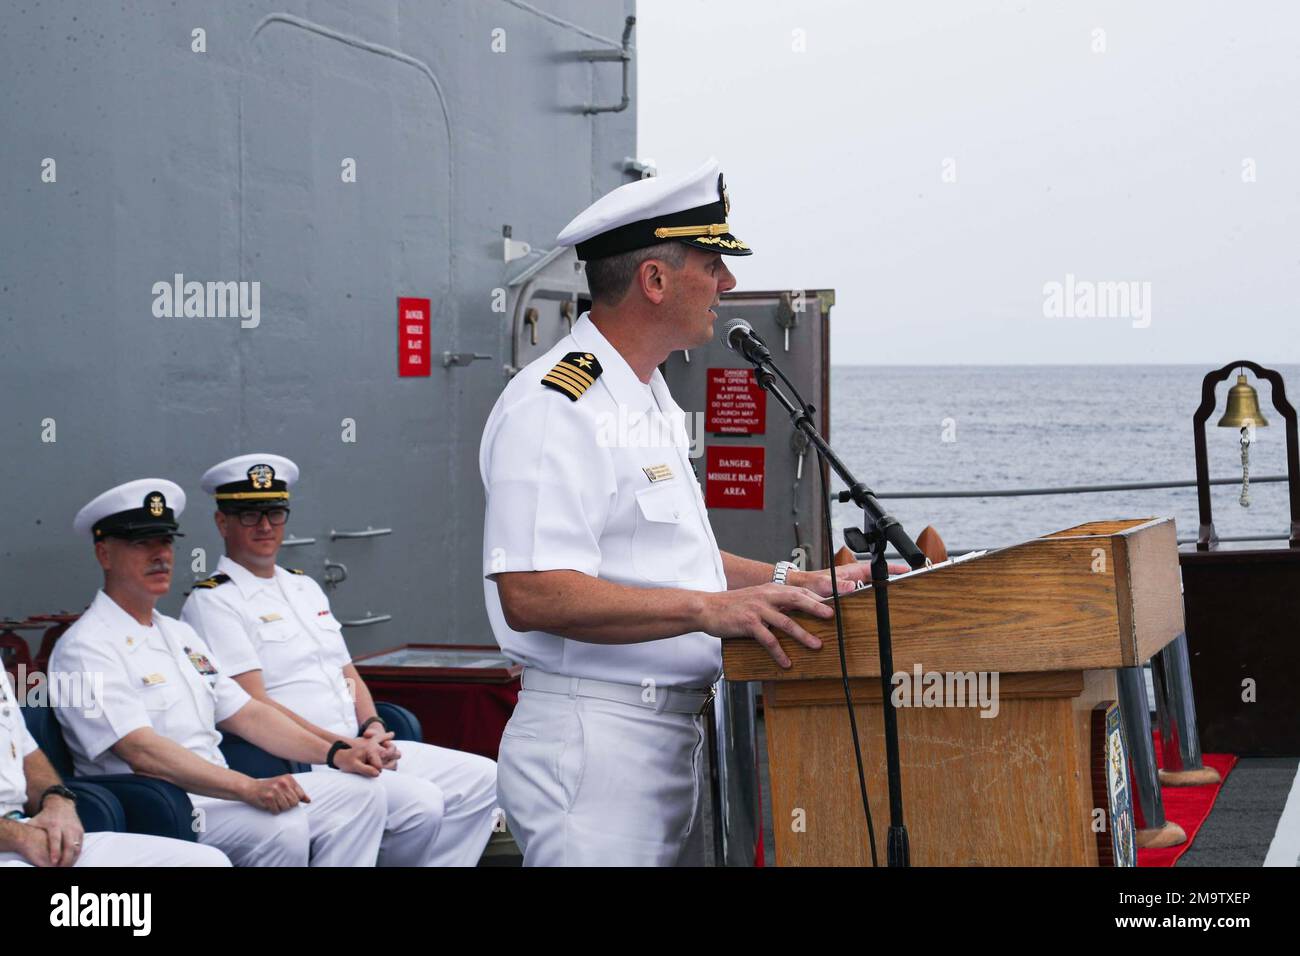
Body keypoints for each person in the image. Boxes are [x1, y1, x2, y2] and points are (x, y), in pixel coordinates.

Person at [479, 158, 874, 866]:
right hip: (594, 741)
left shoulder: (645, 395)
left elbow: (670, 554)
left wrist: (784, 581)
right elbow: (533, 591)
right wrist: (706, 611)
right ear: (654, 280)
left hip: (663, 735)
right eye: (712, 262)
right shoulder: (557, 406)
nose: (726, 283)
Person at [180, 454, 498, 867]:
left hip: (359, 744)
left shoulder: (303, 587)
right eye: (249, 515)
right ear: (223, 523)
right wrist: (339, 746)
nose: (265, 526)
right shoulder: (214, 602)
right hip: (305, 758)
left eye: (275, 513)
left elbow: (345, 673)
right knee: (422, 804)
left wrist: (373, 726)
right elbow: (252, 703)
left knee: (485, 781)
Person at [51, 479, 388, 866]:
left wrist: (337, 753)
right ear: (104, 554)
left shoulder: (179, 635)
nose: (160, 555)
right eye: (141, 543)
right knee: (283, 825)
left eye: (165, 542)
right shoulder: (87, 646)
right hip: (162, 803)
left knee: (363, 795)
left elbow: (249, 714)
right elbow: (142, 752)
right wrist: (247, 788)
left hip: (219, 792)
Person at [0, 668, 229, 867]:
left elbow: (25, 750)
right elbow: (139, 749)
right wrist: (20, 837)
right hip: (15, 839)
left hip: (29, 832)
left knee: (206, 862)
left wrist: (58, 801)